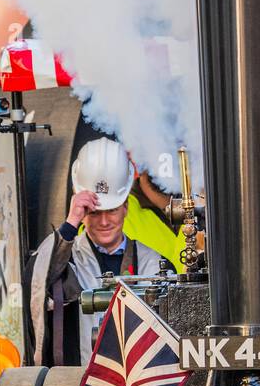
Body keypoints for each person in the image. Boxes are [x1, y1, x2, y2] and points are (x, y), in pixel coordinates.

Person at [26, 138, 168, 365]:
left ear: (125, 208)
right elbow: (37, 285)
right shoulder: (67, 260)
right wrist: (70, 223)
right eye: (93, 212)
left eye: (111, 210)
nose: (103, 221)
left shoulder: (153, 263)